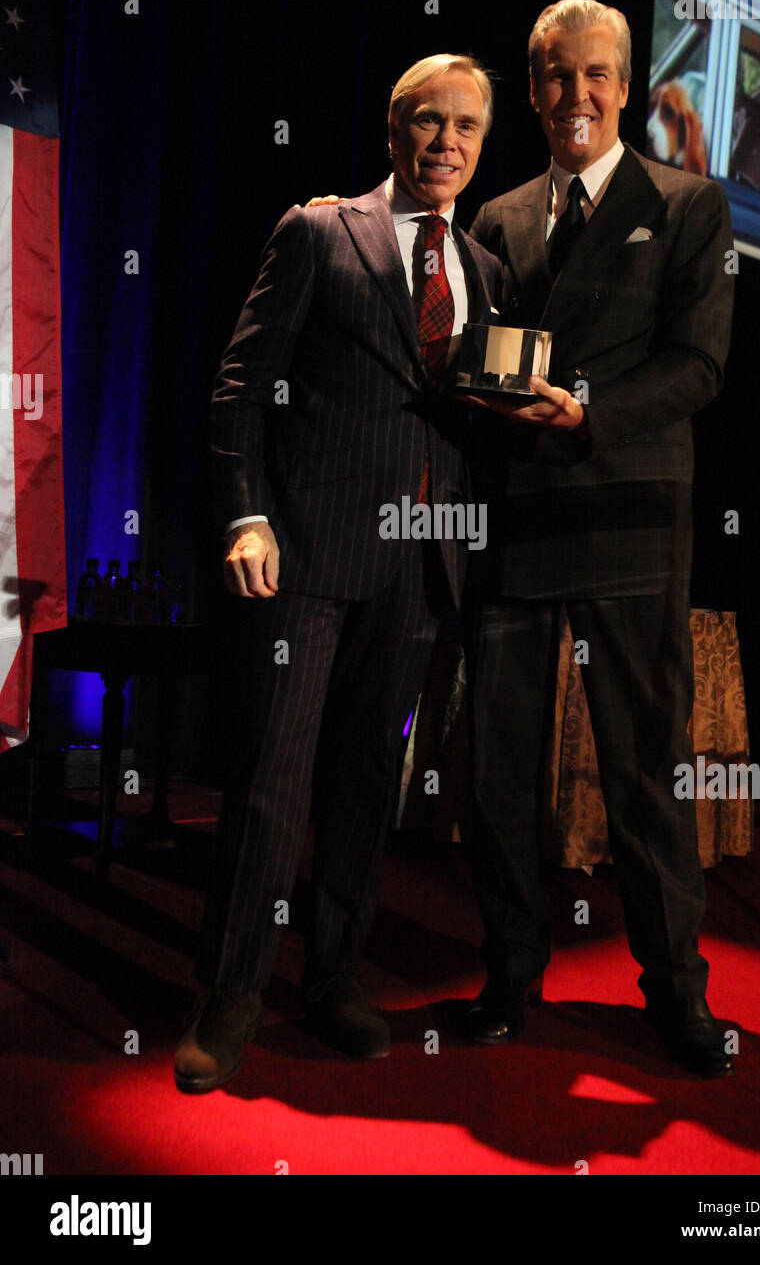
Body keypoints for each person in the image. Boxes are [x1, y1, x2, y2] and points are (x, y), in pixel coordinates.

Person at [174, 53, 499, 1093]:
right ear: (394, 127)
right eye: (427, 121)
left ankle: (333, 977)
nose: (444, 142)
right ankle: (227, 993)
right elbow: (238, 384)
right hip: (306, 556)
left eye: (465, 128)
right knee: (271, 779)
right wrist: (246, 514)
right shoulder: (319, 230)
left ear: (482, 143)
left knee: (366, 784)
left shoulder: (483, 273)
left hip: (419, 569)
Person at [463, 0, 736, 1076]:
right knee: (492, 774)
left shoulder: (689, 204)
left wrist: (586, 413)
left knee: (643, 777)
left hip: (629, 520)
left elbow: (697, 365)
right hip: (515, 521)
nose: (572, 94)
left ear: (624, 86)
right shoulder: (493, 218)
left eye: (592, 75)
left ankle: (675, 993)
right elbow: (475, 361)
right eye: (551, 74)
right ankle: (507, 974)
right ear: (529, 90)